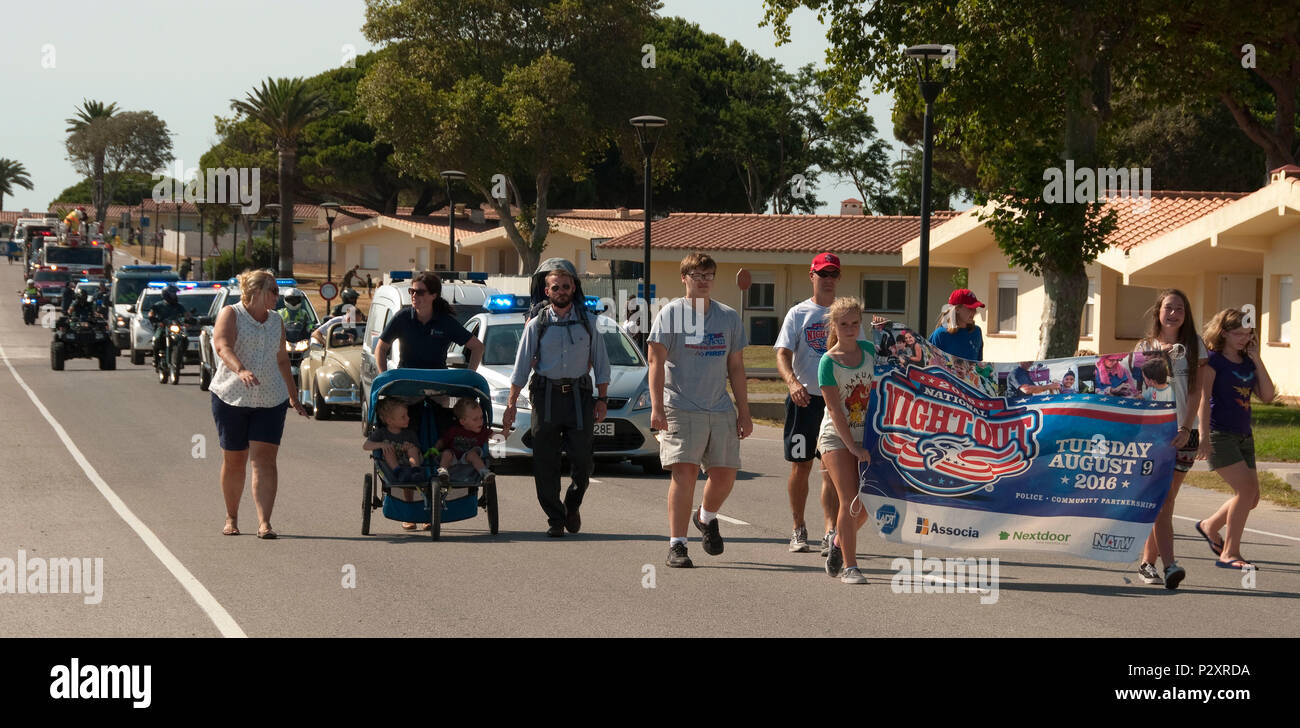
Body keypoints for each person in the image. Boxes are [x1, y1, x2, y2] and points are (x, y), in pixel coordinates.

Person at [649, 252, 751, 568]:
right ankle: (677, 545)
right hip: (680, 405)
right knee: (685, 474)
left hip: (719, 407)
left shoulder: (728, 317)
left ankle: (705, 516)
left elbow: (736, 367)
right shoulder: (669, 314)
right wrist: (657, 408)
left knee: (725, 474)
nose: (703, 280)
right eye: (697, 275)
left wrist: (744, 412)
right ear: (684, 279)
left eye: (708, 275)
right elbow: (656, 362)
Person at [501, 258, 610, 537]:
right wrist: (511, 404)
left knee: (583, 461)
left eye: (565, 286)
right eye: (555, 287)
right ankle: (555, 518)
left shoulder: (590, 322)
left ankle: (572, 504)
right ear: (547, 292)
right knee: (545, 462)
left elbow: (601, 363)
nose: (561, 291)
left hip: (579, 396)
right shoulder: (536, 324)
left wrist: (602, 399)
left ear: (573, 288)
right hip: (546, 396)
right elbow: (521, 366)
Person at [209, 270, 309, 539]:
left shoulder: (276, 320)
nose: (278, 296)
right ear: (257, 292)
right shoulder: (232, 313)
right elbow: (222, 346)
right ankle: (231, 517)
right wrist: (240, 370)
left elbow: (282, 360)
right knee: (235, 460)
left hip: (270, 399)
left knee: (265, 461)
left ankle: (265, 523)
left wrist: (294, 396)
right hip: (231, 397)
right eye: (273, 291)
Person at [1194, 308, 1275, 571]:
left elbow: (1268, 396)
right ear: (1224, 333)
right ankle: (1229, 552)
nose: (1243, 338)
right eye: (1238, 333)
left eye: (1248, 334)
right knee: (1246, 491)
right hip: (1220, 434)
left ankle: (1210, 525)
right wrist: (1203, 437)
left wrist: (1258, 359)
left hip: (1243, 435)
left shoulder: (1248, 362)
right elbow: (1204, 400)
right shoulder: (1213, 360)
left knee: (1251, 498)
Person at [773, 252, 842, 555]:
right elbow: (782, 353)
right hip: (804, 402)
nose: (828, 280)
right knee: (801, 467)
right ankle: (798, 527)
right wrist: (792, 382)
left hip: (834, 404)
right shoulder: (798, 313)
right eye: (823, 274)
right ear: (811, 276)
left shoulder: (844, 314)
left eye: (833, 274)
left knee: (832, 469)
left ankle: (831, 531)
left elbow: (859, 353)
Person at [818, 298, 877, 584]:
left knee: (866, 505)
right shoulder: (828, 362)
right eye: (844, 324)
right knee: (849, 499)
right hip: (837, 437)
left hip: (868, 435)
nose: (850, 328)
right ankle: (850, 567)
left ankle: (840, 543)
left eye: (855, 323)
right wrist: (852, 447)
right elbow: (834, 410)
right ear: (834, 326)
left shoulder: (870, 351)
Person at [375, 271, 483, 373]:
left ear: (434, 295)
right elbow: (381, 348)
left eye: (420, 292)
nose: (414, 295)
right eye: (412, 291)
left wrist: (469, 375)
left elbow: (478, 347)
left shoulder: (445, 322)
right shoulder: (402, 318)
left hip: (437, 385)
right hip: (406, 384)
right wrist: (384, 376)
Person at [433, 398, 495, 487]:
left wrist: (506, 428)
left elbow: (499, 437)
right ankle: (443, 471)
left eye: (481, 417)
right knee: (447, 453)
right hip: (453, 459)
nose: (480, 421)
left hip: (468, 460)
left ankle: (484, 473)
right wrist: (435, 448)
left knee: (472, 454)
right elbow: (443, 441)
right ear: (463, 421)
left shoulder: (483, 431)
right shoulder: (454, 431)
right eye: (475, 419)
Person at [363, 398, 424, 487]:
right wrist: (382, 444)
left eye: (407, 415)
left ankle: (416, 472)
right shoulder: (381, 433)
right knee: (388, 450)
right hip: (392, 463)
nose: (408, 418)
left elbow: (418, 449)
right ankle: (399, 472)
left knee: (413, 449)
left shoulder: (410, 433)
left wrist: (409, 446)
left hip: (409, 461)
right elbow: (366, 446)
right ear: (390, 421)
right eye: (403, 417)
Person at [929, 289, 984, 361]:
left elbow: (978, 363)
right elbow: (930, 363)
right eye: (970, 308)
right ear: (957, 309)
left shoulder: (977, 332)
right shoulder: (940, 334)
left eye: (975, 308)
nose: (974, 312)